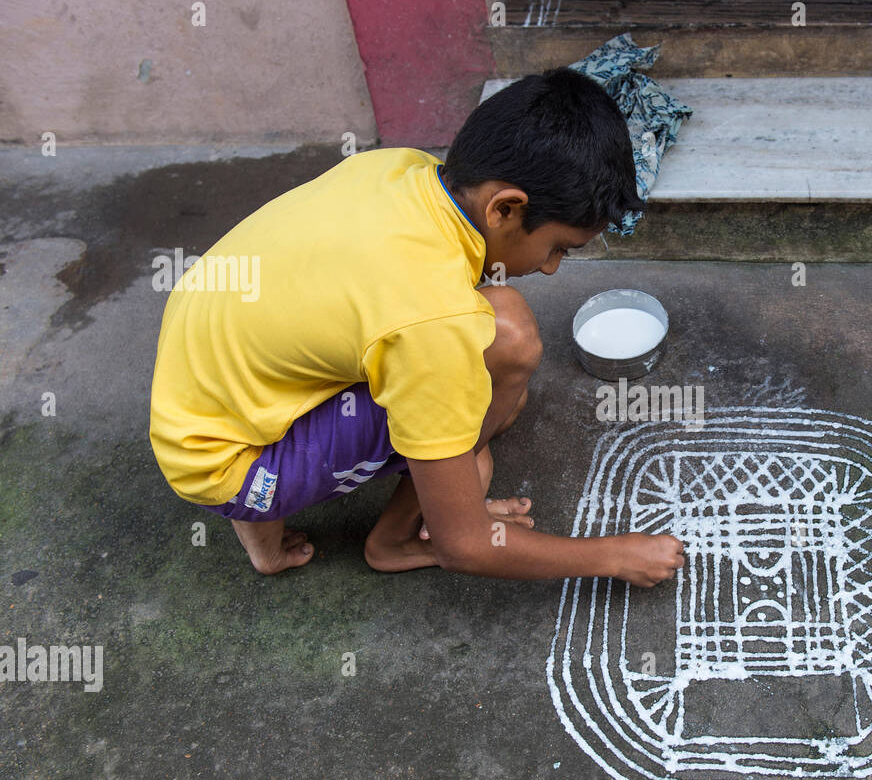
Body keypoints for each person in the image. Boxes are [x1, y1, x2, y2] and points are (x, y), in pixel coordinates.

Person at [148, 68, 685, 586]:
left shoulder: (399, 169)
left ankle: (266, 545)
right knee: (503, 360)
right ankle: (394, 543)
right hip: (234, 468)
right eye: (557, 248)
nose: (550, 267)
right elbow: (466, 547)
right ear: (505, 209)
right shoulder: (431, 321)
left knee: (480, 356)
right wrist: (613, 556)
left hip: (202, 399)